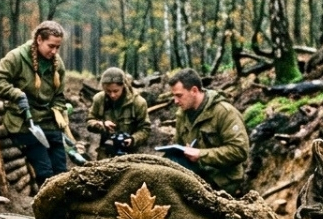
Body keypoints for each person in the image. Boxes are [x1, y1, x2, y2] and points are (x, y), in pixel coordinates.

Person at [0, 21, 71, 188]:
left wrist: (58, 110)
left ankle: (65, 210)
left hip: (48, 121)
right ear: (39, 39)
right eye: (51, 46)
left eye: (58, 47)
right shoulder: (17, 57)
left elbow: (59, 94)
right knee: (45, 172)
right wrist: (16, 94)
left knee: (62, 171)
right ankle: (47, 209)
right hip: (24, 123)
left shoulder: (57, 63)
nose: (54, 51)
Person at [168, 67, 250, 195]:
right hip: (196, 173)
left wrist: (201, 154)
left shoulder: (224, 112)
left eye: (179, 95)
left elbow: (240, 150)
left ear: (194, 90)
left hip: (222, 180)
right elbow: (177, 144)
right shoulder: (182, 115)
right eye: (174, 96)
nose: (176, 101)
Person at [87, 67, 150, 159]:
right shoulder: (99, 99)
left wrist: (133, 139)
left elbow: (145, 129)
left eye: (116, 91)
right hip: (106, 150)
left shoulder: (138, 102)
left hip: (131, 152)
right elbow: (89, 121)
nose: (112, 95)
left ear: (123, 86)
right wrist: (101, 124)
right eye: (108, 91)